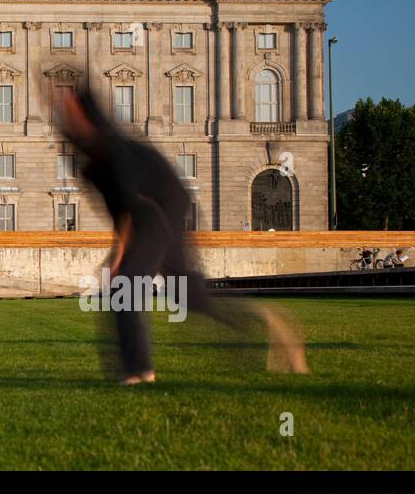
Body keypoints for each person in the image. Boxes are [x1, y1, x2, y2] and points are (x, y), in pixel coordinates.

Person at [58, 87, 307, 384]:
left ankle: (139, 371)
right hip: (156, 207)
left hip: (159, 207)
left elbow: (132, 208)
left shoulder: (113, 150)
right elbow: (119, 212)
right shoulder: (92, 162)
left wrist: (120, 258)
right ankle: (267, 320)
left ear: (87, 114)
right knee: (186, 296)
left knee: (125, 285)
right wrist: (118, 254)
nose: (63, 114)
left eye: (70, 108)